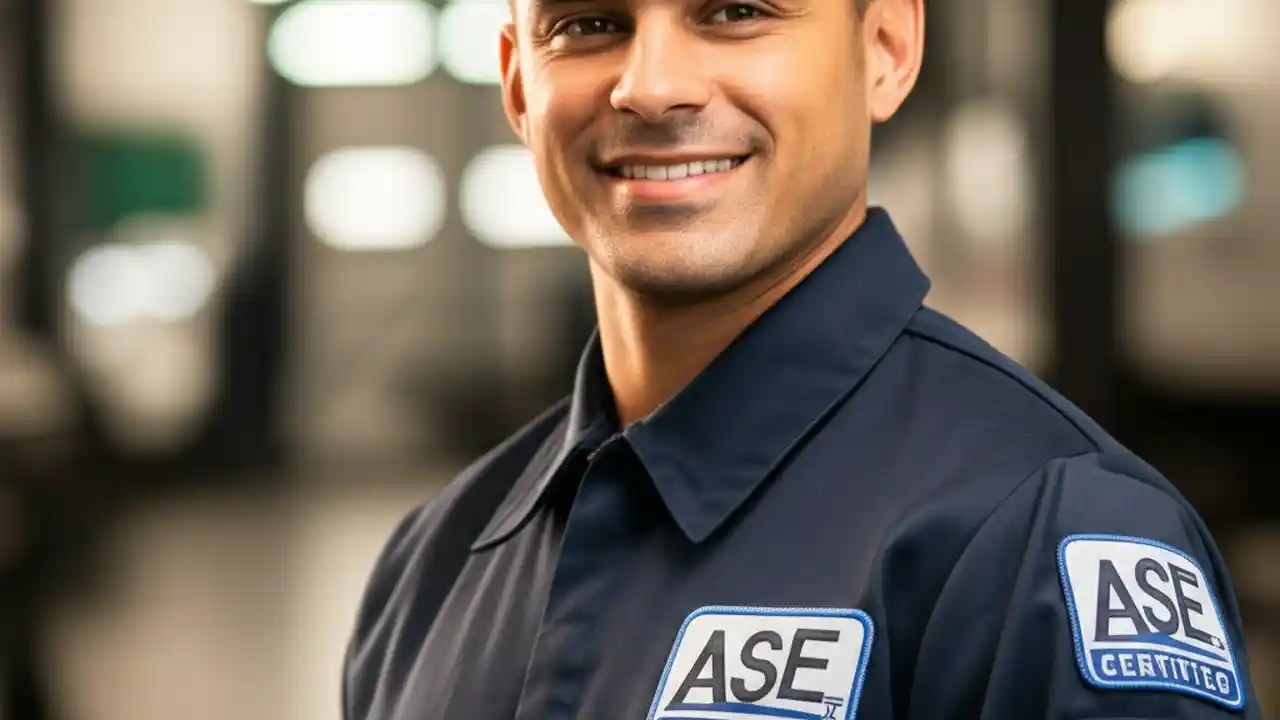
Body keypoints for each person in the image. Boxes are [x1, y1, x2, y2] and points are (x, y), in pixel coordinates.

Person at [342, 0, 1263, 716]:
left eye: (736, 12)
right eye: (588, 24)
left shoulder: (1046, 534)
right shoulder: (435, 565)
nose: (651, 87)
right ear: (517, 85)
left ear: (886, 49)